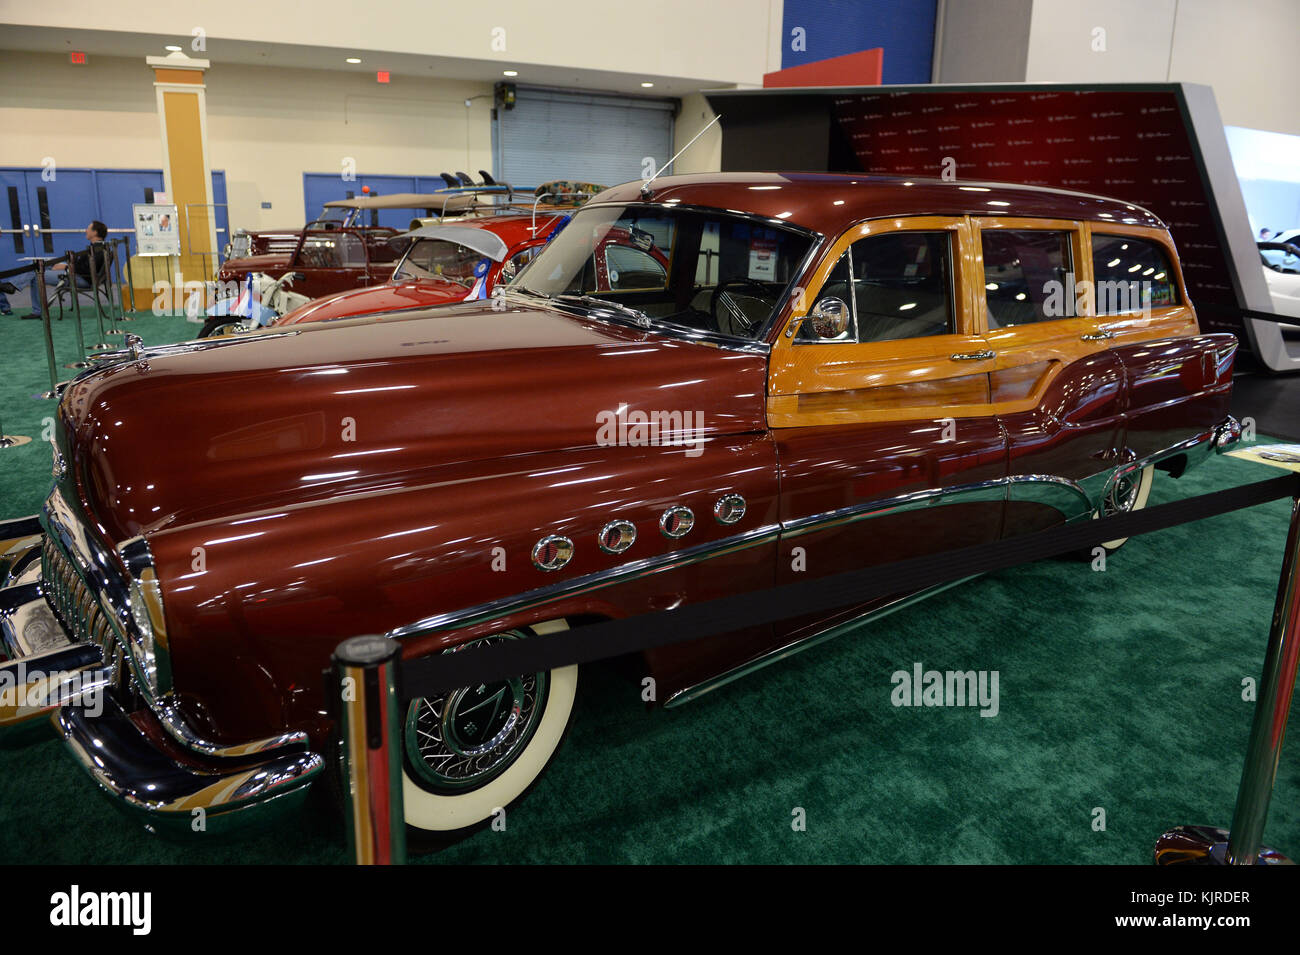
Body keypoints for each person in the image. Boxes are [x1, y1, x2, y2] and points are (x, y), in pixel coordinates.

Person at [0, 221, 109, 318]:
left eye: (88, 228)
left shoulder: (97, 249)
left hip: (81, 278)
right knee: (38, 264)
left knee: (37, 274)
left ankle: (35, 308)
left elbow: (87, 269)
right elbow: (86, 265)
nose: (86, 230)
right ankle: (13, 286)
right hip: (78, 274)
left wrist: (66, 266)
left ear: (95, 232)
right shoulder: (99, 247)